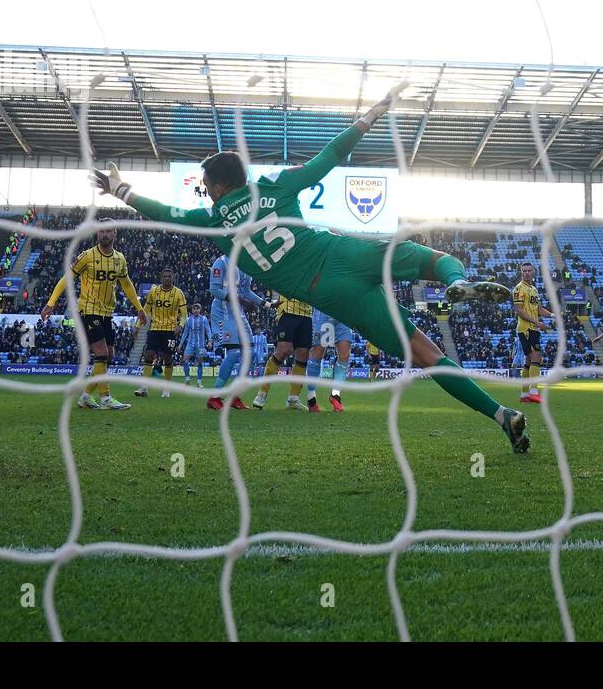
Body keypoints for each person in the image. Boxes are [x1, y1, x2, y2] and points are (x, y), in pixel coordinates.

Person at [90, 92, 529, 452]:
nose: (206, 193)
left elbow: (162, 211)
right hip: (344, 254)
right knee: (427, 258)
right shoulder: (276, 184)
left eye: (207, 186)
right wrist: (370, 117)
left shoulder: (212, 222)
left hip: (331, 295)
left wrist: (120, 189)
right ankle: (456, 283)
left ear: (220, 187)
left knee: (426, 356)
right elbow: (329, 157)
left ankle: (501, 417)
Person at [40, 219, 146, 410]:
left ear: (115, 233)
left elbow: (127, 284)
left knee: (109, 356)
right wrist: (51, 302)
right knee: (102, 353)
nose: (104, 235)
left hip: (107, 313)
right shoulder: (87, 256)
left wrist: (139, 308)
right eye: (101, 232)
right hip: (88, 311)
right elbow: (67, 278)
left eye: (108, 231)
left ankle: (86, 396)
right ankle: (105, 398)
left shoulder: (120, 259)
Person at [208, 252, 264, 411]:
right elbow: (214, 290)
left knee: (251, 352)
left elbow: (246, 291)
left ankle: (234, 396)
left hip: (239, 313)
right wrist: (242, 301)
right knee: (233, 353)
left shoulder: (246, 264)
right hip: (223, 314)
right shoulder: (221, 262)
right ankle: (214, 397)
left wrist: (265, 304)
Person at [135, 268, 186, 399]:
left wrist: (180, 325)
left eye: (170, 276)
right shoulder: (154, 291)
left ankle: (167, 387)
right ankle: (144, 387)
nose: (167, 278)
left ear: (173, 278)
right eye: (165, 276)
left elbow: (184, 313)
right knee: (149, 355)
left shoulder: (178, 293)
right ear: (161, 278)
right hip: (155, 328)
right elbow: (146, 309)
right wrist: (138, 325)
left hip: (170, 330)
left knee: (168, 358)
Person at [255, 295, 313, 410]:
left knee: (303, 354)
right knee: (283, 350)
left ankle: (293, 398)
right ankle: (262, 393)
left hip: (307, 312)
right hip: (288, 308)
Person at [512, 262, 555, 405]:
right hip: (526, 328)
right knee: (537, 357)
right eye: (524, 270)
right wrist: (537, 323)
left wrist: (554, 316)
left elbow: (539, 309)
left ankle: (524, 395)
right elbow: (519, 310)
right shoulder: (519, 288)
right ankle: (534, 393)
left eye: (529, 270)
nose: (527, 273)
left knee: (528, 362)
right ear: (521, 272)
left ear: (534, 272)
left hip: (533, 329)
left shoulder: (534, 289)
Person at [307, 307, 354, 412]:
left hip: (344, 312)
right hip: (324, 309)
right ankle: (311, 396)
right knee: (318, 351)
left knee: (345, 354)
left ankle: (335, 394)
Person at [179, 302, 211, 386]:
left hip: (200, 344)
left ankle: (199, 382)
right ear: (192, 310)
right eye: (194, 309)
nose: (196, 310)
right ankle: (187, 379)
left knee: (200, 363)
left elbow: (208, 330)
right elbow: (185, 333)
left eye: (197, 309)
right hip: (190, 343)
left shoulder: (204, 319)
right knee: (185, 360)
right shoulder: (188, 320)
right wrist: (180, 345)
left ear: (200, 310)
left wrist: (210, 340)